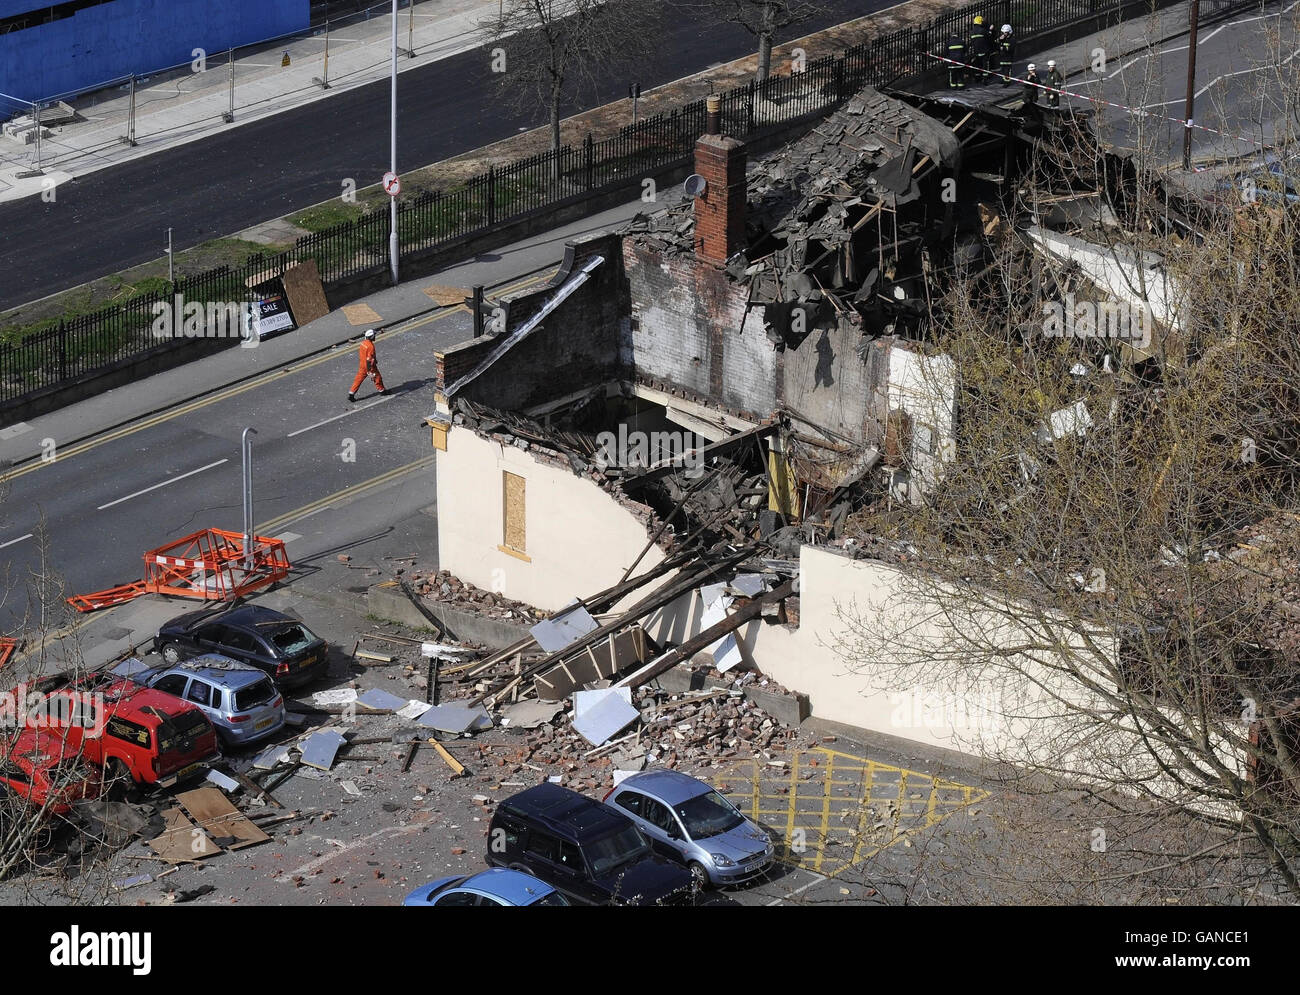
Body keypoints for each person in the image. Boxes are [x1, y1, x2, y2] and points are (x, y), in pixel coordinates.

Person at [349, 328, 387, 402]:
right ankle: (382, 391)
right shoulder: (370, 346)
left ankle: (351, 393)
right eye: (374, 335)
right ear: (371, 337)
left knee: (358, 379)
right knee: (377, 378)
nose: (375, 337)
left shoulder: (363, 343)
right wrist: (369, 370)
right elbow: (369, 359)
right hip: (370, 367)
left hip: (362, 365)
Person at [968, 15, 990, 79]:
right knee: (985, 64)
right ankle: (985, 78)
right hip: (984, 51)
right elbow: (988, 38)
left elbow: (972, 42)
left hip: (976, 51)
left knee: (977, 64)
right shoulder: (983, 30)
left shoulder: (971, 32)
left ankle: (977, 77)